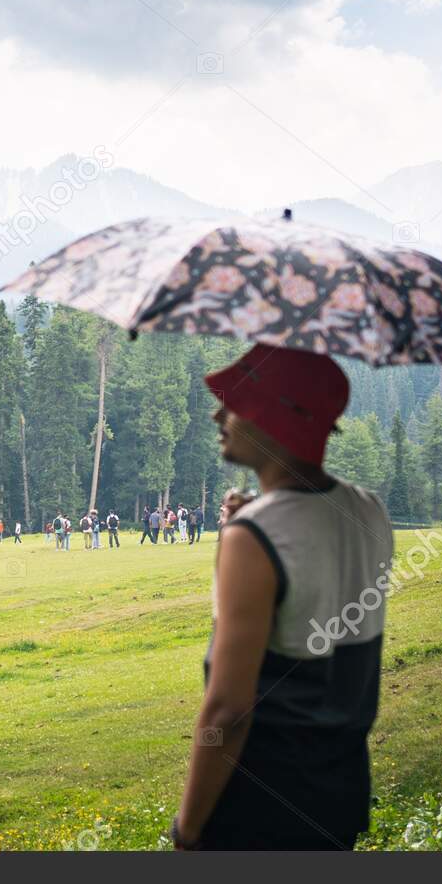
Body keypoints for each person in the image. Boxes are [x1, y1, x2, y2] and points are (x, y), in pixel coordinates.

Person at [169, 346, 392, 853]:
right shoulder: (370, 511)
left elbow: (227, 711)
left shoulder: (257, 535)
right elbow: (312, 558)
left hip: (256, 813)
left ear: (278, 420)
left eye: (237, 403)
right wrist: (256, 523)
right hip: (338, 798)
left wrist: (189, 829)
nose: (217, 414)